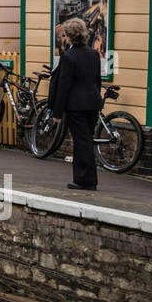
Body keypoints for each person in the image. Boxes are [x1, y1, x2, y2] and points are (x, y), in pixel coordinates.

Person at [50, 17, 103, 190]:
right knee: (87, 139)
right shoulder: (94, 54)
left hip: (76, 105)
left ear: (69, 36)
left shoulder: (69, 56)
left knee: (82, 141)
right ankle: (87, 178)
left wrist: (57, 113)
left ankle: (84, 180)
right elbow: (97, 80)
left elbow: (64, 86)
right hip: (92, 102)